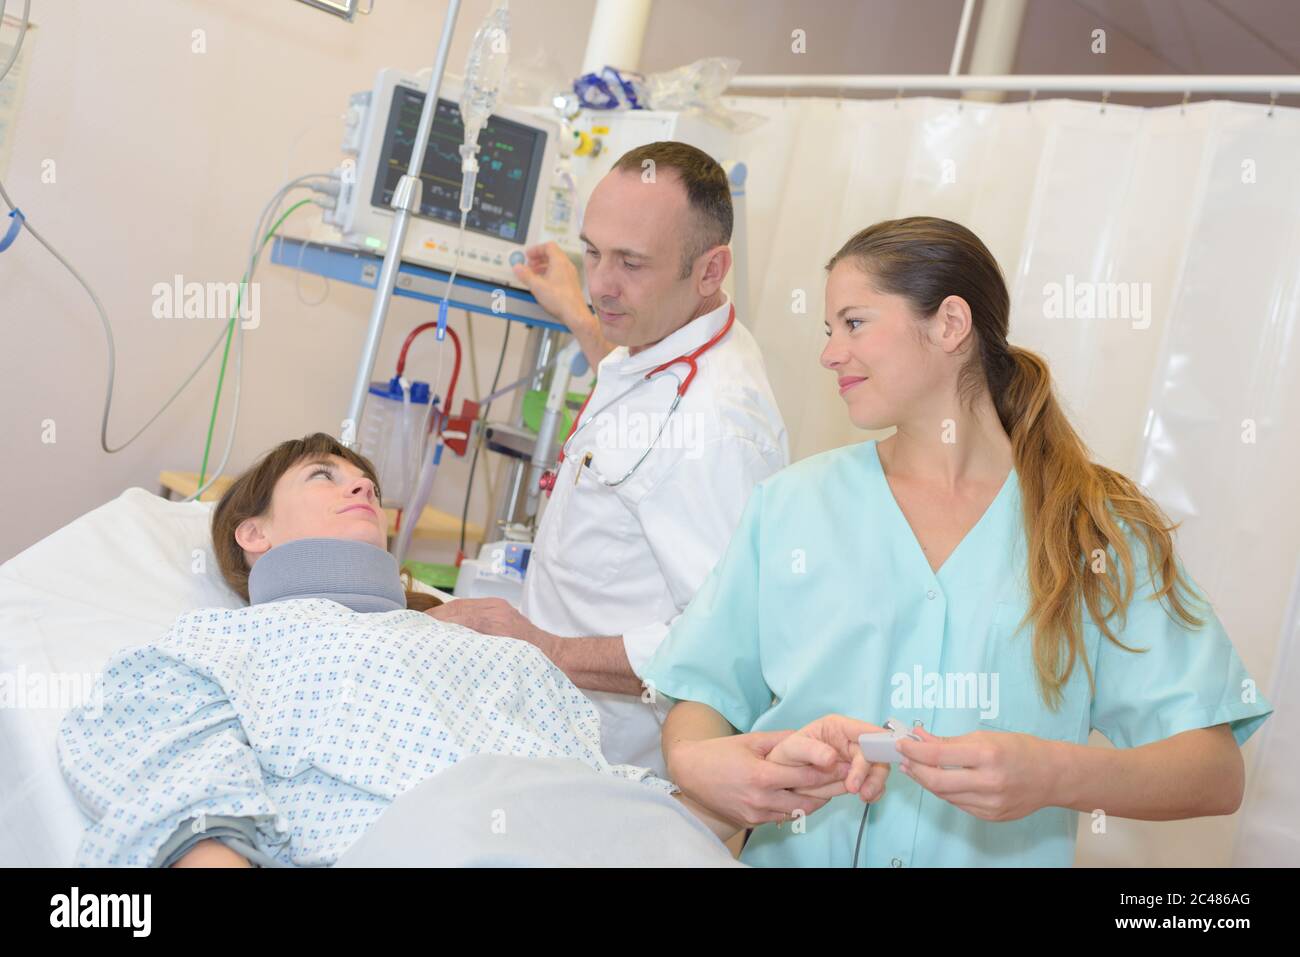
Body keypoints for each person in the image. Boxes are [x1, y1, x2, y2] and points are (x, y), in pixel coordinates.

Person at [641, 216, 1275, 867]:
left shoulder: (1092, 526)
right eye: (829, 330)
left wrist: (1055, 774)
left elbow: (1213, 771)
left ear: (949, 324)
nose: (830, 353)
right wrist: (710, 769)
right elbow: (703, 698)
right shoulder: (793, 506)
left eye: (854, 323)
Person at [56, 434, 740, 867]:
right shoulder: (219, 648)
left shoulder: (499, 650)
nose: (362, 486)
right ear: (252, 533)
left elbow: (612, 798)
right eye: (325, 474)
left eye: (366, 481)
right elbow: (189, 809)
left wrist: (728, 796)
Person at [429, 141, 788, 774]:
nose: (602, 284)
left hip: (601, 757)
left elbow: (725, 638)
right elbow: (641, 411)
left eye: (631, 262)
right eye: (593, 251)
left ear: (710, 270)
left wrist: (548, 650)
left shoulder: (719, 428)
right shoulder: (667, 336)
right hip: (537, 714)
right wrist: (575, 311)